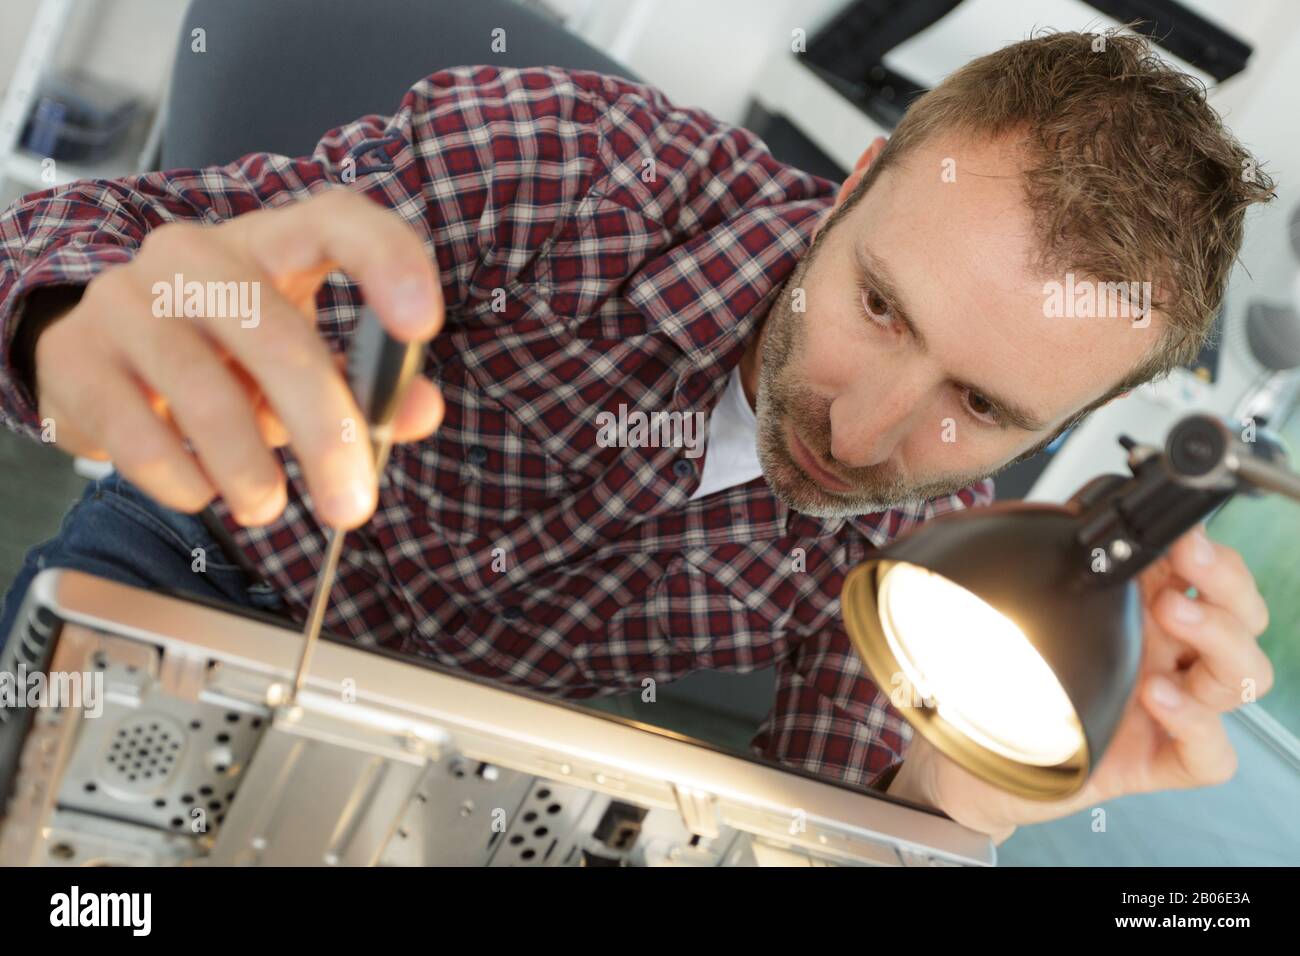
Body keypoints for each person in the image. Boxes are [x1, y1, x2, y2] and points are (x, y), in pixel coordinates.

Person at [0, 30, 1275, 843]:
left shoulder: (952, 561)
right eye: (879, 306)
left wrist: (955, 808)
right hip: (209, 574)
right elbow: (97, 233)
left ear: (1074, 423)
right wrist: (72, 330)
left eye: (985, 407)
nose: (864, 428)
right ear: (855, 180)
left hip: (483, 750)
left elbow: (819, 832)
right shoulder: (573, 171)